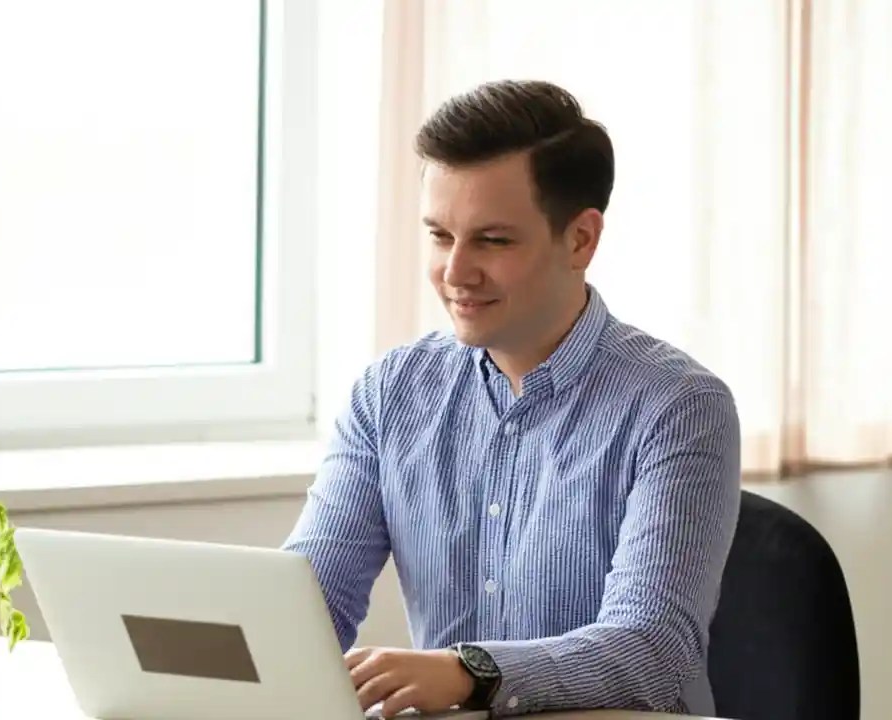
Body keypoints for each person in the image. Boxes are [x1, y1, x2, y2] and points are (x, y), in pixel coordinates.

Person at [282, 79, 740, 718]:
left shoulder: (678, 407)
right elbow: (304, 608)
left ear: (580, 239)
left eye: (493, 241)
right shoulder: (389, 394)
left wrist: (469, 673)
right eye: (440, 236)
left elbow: (651, 648)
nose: (455, 271)